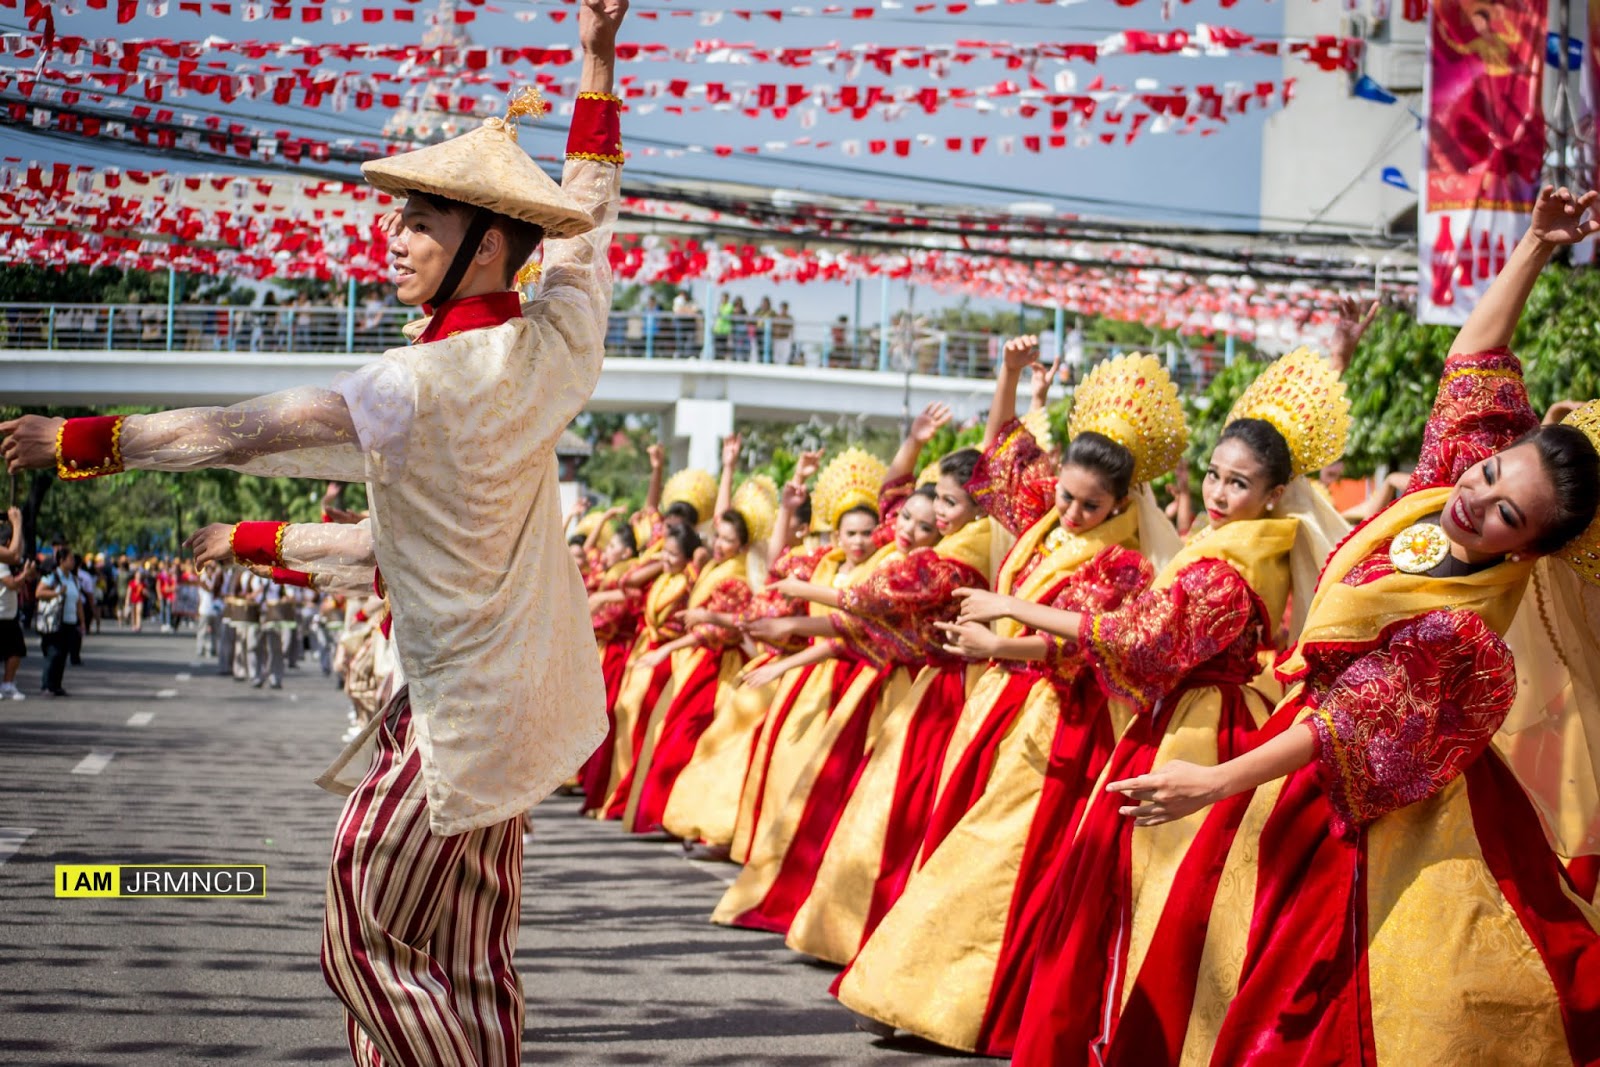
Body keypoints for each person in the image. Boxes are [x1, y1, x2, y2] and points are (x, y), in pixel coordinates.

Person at [0, 2, 627, 1062]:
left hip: (466, 711)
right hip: (513, 704)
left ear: (486, 246)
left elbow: (253, 428)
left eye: (421, 223)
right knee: (464, 949)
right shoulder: (563, 339)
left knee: (363, 912)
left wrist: (85, 438)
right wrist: (597, 65)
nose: (394, 241)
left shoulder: (416, 379)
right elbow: (591, 216)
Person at [1082, 186, 1600, 1066]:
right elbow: (1475, 358)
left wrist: (1212, 784)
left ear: (1531, 550)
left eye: (1508, 512)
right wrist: (1537, 247)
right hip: (1301, 747)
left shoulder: (1464, 641)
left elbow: (1347, 727)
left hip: (1375, 801)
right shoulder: (1442, 489)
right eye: (1489, 470)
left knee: (1332, 998)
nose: (1478, 498)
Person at [1001, 345, 1356, 1065]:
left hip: (1200, 730)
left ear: (1277, 492)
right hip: (1179, 718)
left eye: (1240, 482)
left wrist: (1009, 609)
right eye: (1216, 476)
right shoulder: (1226, 541)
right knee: (1122, 877)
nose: (1221, 492)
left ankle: (1117, 1037)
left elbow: (1147, 641)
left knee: (1143, 885)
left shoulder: (1233, 564)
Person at [834, 344, 1187, 1055]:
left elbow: (1088, 643)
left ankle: (951, 999)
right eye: (1066, 496)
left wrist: (1002, 644)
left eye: (1092, 504)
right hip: (997, 697)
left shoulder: (1123, 561)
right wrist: (1009, 376)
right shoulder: (1043, 523)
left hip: (1058, 717)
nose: (1075, 512)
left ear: (1123, 502)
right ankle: (933, 989)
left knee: (998, 852)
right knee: (964, 835)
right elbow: (1000, 456)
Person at [35, 548, 82, 697]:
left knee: (63, 654)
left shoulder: (73, 579)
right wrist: (57, 593)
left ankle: (56, 685)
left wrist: (82, 621)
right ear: (61, 561)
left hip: (70, 621)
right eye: (70, 559)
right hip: (55, 622)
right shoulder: (53, 577)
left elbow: (78, 601)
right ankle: (46, 685)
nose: (73, 562)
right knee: (53, 653)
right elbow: (39, 592)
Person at [0, 507, 34, 700]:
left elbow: (16, 554)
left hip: (8, 614)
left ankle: (7, 684)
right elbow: (14, 555)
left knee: (15, 651)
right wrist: (17, 522)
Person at [772, 300, 795, 365]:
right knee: (776, 358)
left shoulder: (789, 318)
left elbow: (791, 330)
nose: (784, 309)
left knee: (785, 358)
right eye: (783, 308)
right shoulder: (777, 317)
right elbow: (773, 328)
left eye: (785, 308)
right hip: (777, 340)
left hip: (785, 340)